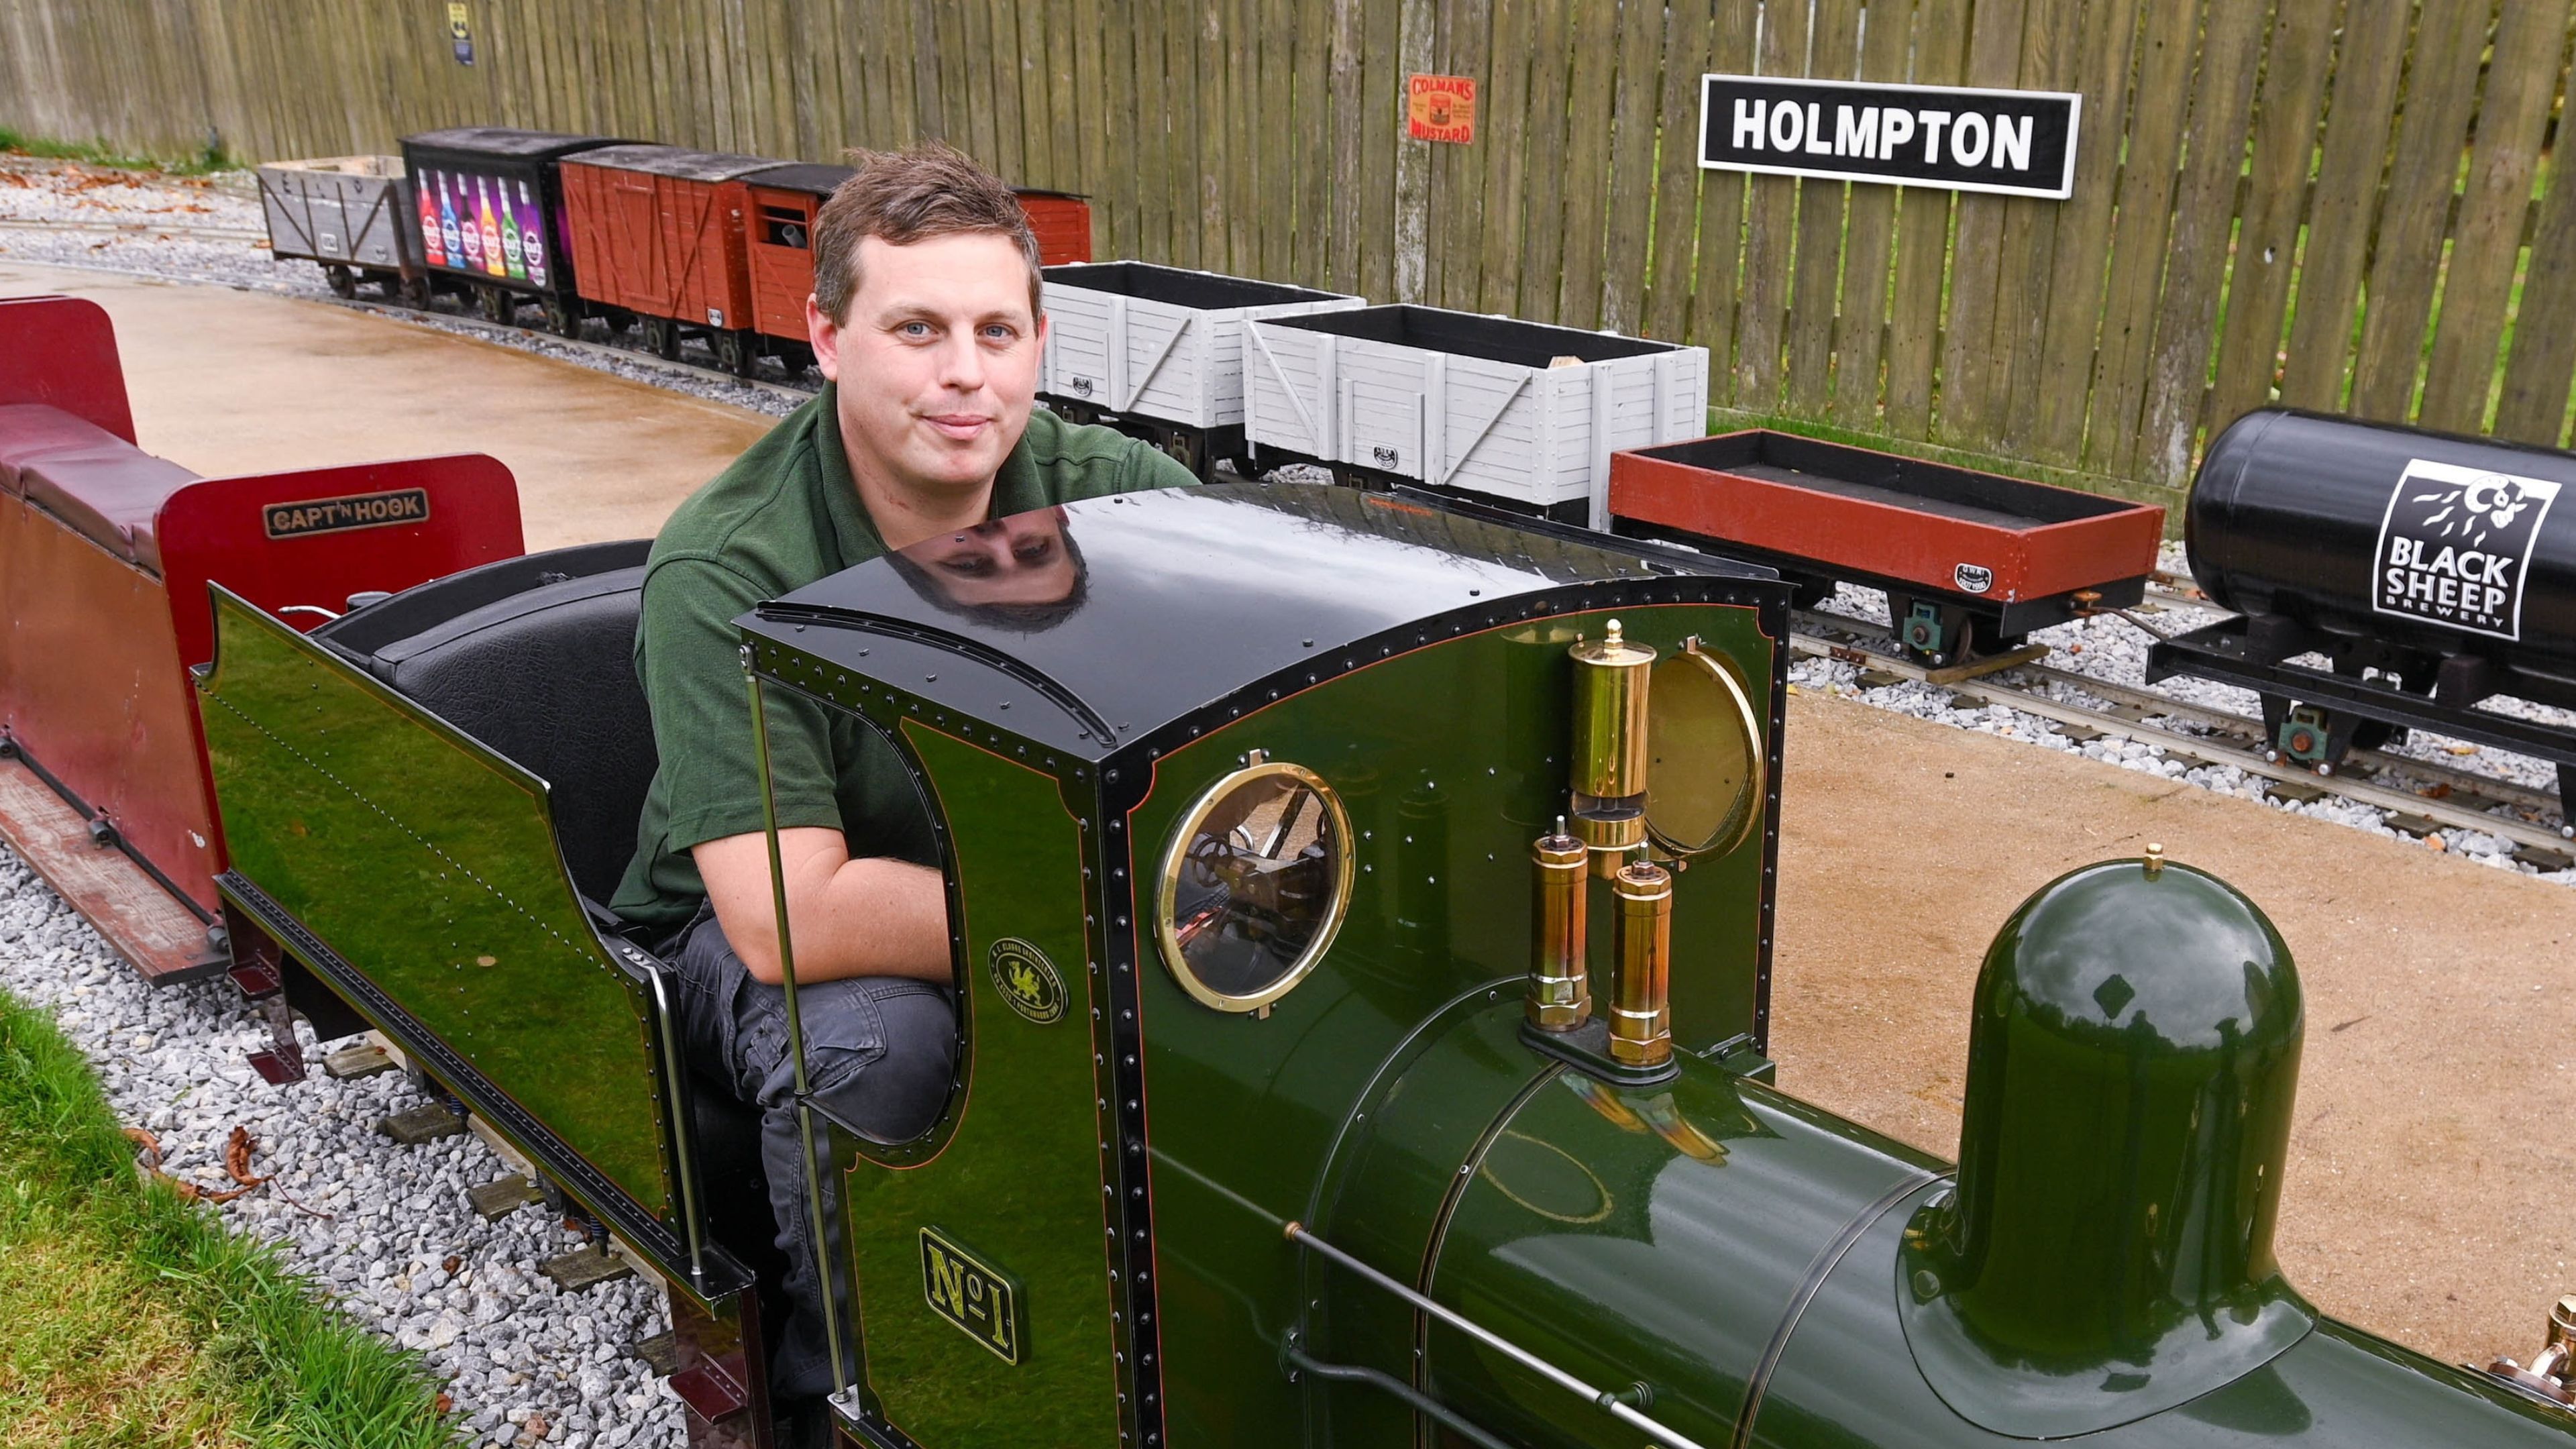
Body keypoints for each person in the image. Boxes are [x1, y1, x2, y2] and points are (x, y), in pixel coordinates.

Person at [608, 145, 1197, 1430]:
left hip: (1032, 883)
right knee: (879, 1046)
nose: (964, 374)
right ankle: (855, 1402)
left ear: (1041, 338)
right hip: (728, 934)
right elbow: (789, 918)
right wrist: (1114, 927)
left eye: (997, 329)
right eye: (916, 328)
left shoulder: (1134, 503)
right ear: (826, 334)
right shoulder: (727, 570)